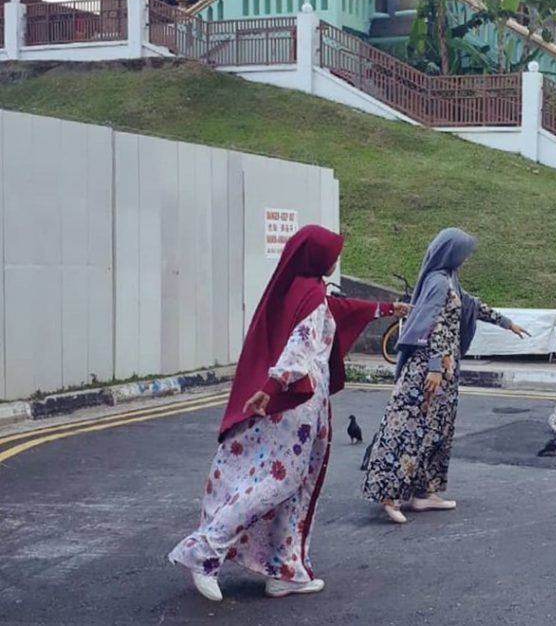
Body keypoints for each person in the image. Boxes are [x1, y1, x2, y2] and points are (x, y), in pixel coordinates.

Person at [169, 224, 409, 602]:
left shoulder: (298, 286)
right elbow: (300, 346)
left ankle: (285, 569)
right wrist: (272, 387)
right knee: (277, 483)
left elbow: (338, 310)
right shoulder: (311, 293)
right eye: (331, 256)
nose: (334, 261)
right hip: (296, 404)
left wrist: (384, 308)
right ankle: (203, 551)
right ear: (317, 258)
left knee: (291, 487)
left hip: (298, 404)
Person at [362, 227, 528, 523]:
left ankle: (424, 494)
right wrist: (436, 366)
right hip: (427, 371)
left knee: (436, 431)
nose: (465, 260)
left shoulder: (451, 279)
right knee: (408, 430)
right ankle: (390, 495)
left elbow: (470, 305)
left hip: (446, 371)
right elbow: (432, 323)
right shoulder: (438, 282)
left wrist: (506, 323)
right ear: (450, 253)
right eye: (463, 254)